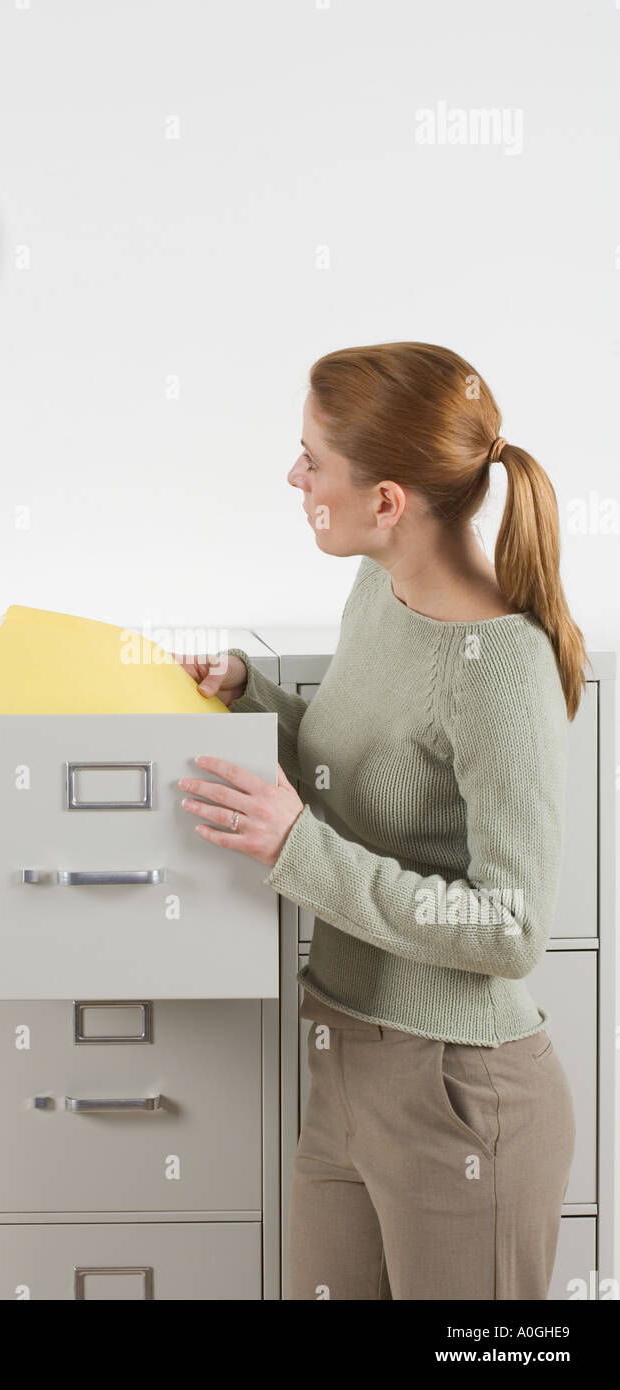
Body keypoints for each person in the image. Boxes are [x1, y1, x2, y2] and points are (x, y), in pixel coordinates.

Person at [176, 341, 587, 1300]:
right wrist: (250, 699)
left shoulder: (502, 670)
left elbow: (510, 927)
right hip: (345, 1058)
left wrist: (296, 851)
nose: (294, 475)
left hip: (455, 1092)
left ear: (387, 500)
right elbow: (357, 769)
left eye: (312, 461)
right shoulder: (379, 586)